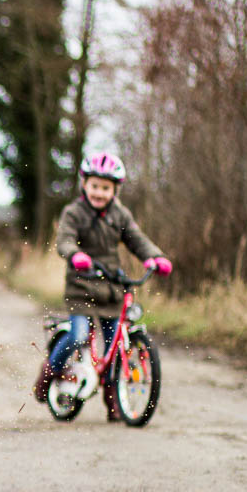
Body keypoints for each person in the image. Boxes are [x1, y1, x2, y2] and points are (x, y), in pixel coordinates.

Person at [32, 152, 173, 420]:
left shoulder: (119, 215)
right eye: (95, 186)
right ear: (84, 184)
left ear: (114, 190)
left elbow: (136, 239)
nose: (99, 192)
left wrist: (155, 257)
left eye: (106, 188)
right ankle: (49, 372)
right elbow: (64, 240)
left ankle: (114, 402)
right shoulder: (74, 213)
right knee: (78, 336)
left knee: (114, 344)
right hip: (81, 286)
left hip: (111, 288)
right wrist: (75, 255)